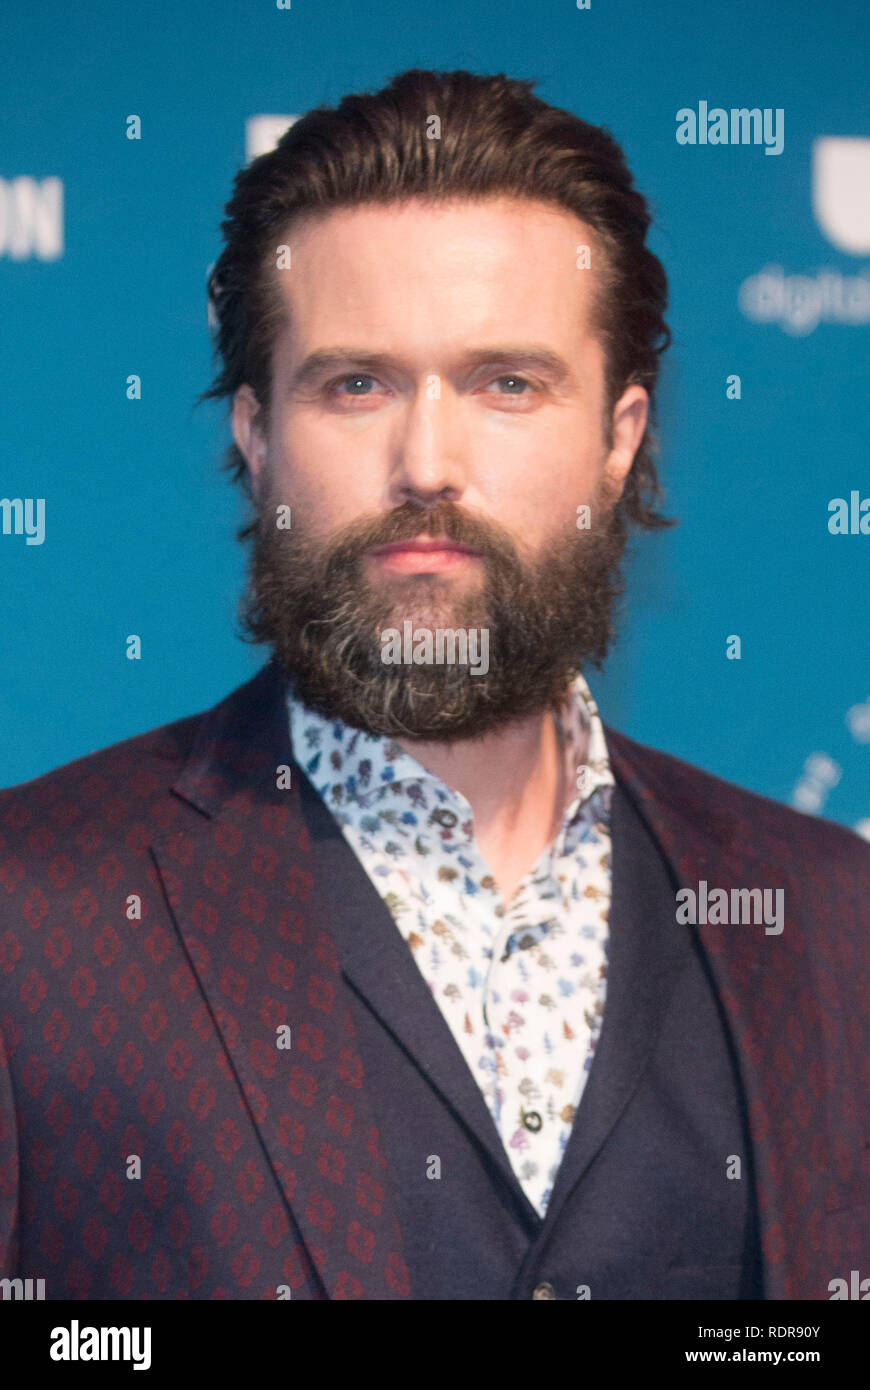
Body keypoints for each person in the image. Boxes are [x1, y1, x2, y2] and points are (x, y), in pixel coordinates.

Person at [1, 68, 867, 1302]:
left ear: (619, 438)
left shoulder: (832, 920)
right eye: (357, 384)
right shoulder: (31, 912)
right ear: (256, 435)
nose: (428, 462)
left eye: (507, 383)